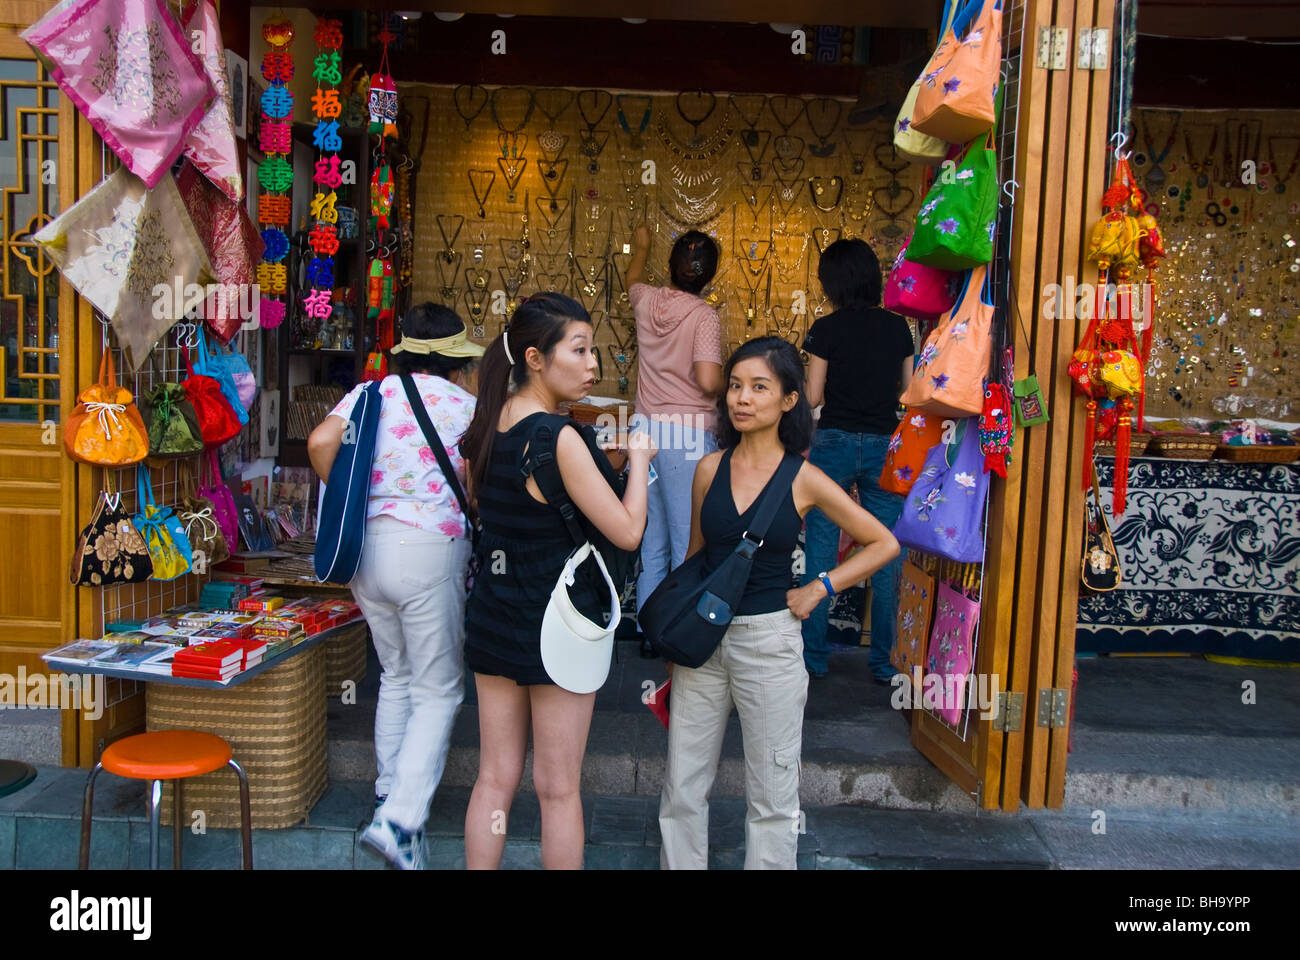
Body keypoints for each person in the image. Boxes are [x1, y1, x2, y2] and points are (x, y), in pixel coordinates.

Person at [658, 336, 899, 870]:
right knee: (681, 787)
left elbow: (884, 543)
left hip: (769, 642)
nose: (742, 399)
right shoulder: (709, 468)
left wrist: (820, 587)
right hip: (704, 643)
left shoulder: (805, 477)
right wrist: (679, 640)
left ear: (790, 399)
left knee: (771, 796)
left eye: (759, 388)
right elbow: (698, 559)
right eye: (736, 387)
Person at [458, 292, 656, 870]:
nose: (593, 363)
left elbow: (513, 504)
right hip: (558, 623)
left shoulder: (488, 423)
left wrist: (607, 466)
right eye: (580, 349)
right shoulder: (559, 436)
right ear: (535, 358)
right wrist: (639, 461)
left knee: (494, 779)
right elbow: (626, 532)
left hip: (494, 615)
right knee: (558, 788)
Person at [306, 302, 484, 870]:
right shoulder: (467, 406)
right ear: (455, 360)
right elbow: (475, 482)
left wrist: (354, 495)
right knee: (440, 688)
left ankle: (387, 791)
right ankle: (402, 821)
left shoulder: (369, 394)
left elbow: (317, 443)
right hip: (431, 548)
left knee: (397, 674)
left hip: (367, 552)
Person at [799, 238, 915, 681]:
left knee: (821, 549)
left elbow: (811, 397)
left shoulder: (825, 330)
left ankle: (813, 659)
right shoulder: (899, 328)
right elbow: (908, 395)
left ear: (832, 282)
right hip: (887, 444)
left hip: (834, 442)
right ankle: (885, 662)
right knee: (886, 552)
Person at [625, 225, 725, 622]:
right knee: (689, 538)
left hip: (645, 429)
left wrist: (643, 245)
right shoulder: (704, 316)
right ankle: (678, 625)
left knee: (652, 540)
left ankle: (651, 626)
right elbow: (706, 380)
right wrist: (730, 379)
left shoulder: (645, 299)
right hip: (687, 434)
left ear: (669, 266)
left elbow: (632, 279)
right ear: (710, 276)